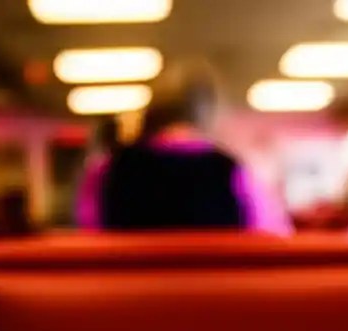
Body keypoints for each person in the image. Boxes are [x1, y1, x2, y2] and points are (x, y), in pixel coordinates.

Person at [79, 63, 291, 234]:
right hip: (219, 285)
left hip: (127, 285)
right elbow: (271, 238)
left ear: (153, 112)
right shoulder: (234, 171)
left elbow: (90, 234)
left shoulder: (107, 170)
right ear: (211, 113)